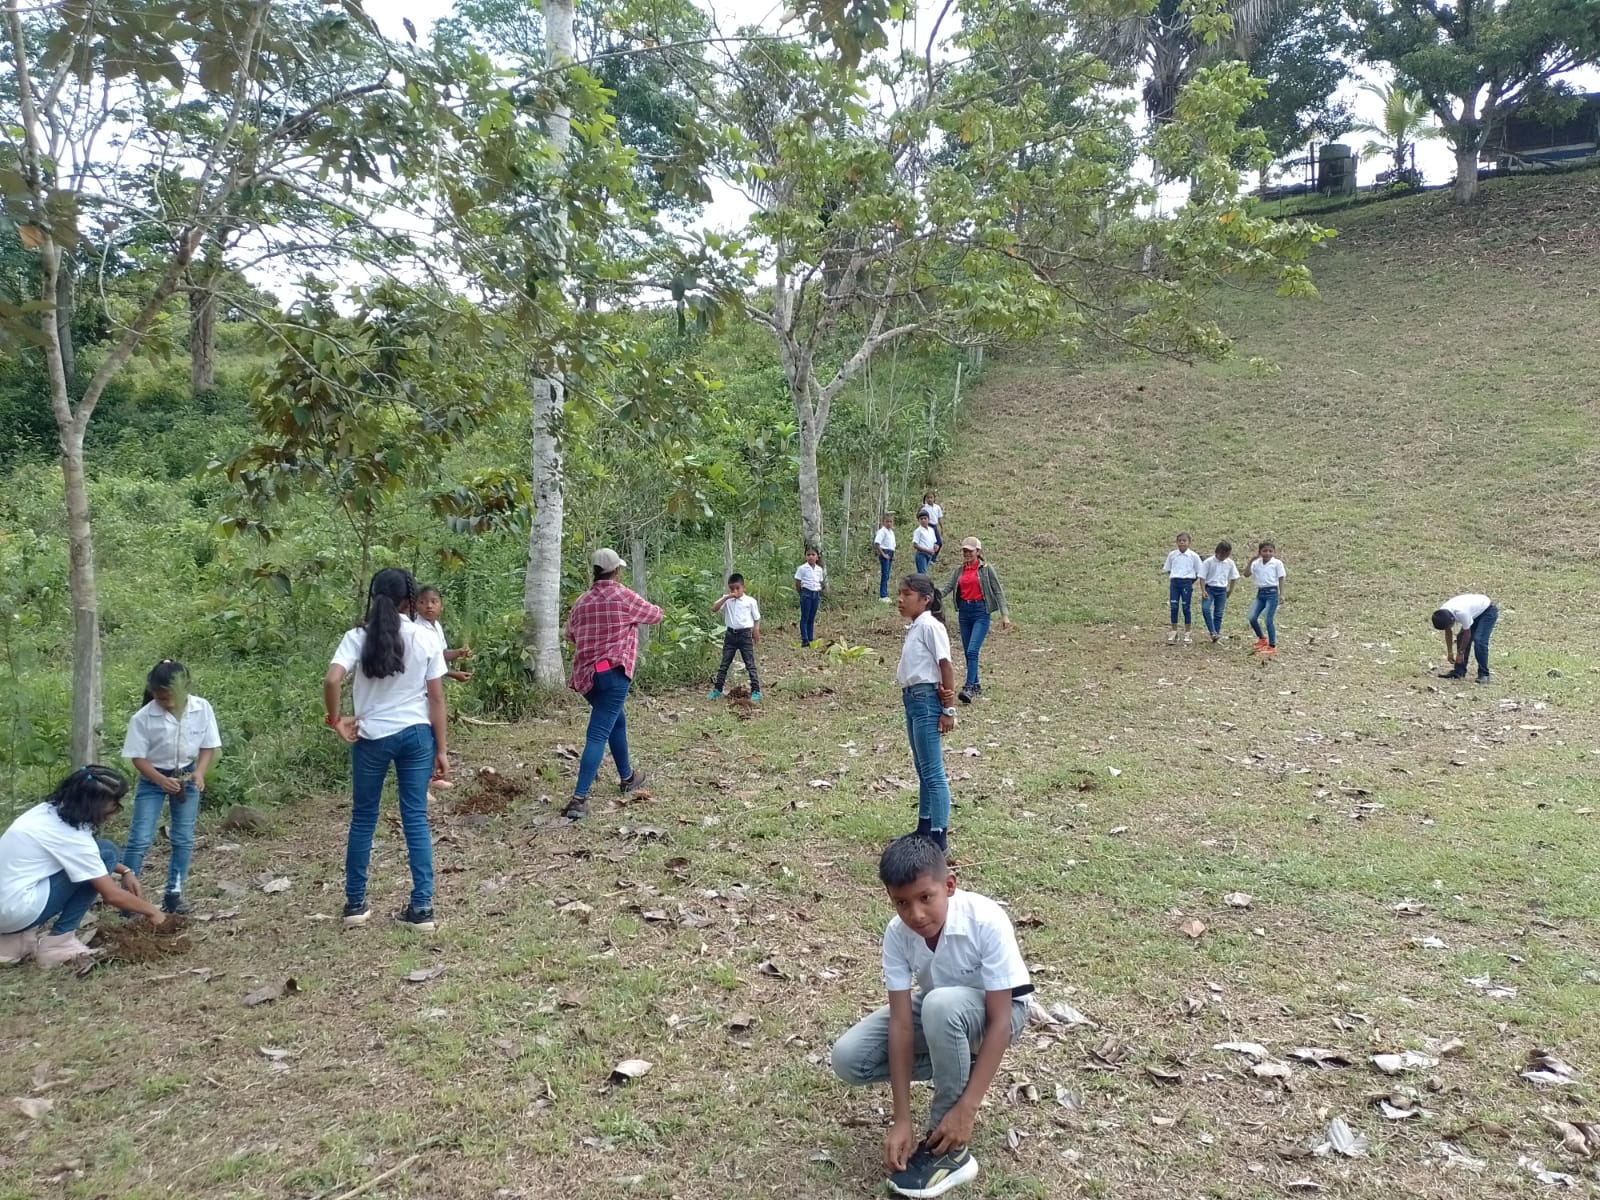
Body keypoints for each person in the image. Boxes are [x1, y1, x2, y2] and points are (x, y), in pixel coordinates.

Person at [831, 834, 1032, 1199]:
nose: (916, 914)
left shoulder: (986, 919)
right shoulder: (897, 935)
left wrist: (966, 1108)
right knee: (849, 1058)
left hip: (1000, 1015)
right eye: (902, 903)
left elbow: (1002, 1020)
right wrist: (901, 1117)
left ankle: (950, 1152)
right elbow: (902, 1023)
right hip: (941, 1013)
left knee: (941, 1006)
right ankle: (958, 1062)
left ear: (949, 885)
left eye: (926, 898)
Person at [324, 567, 449, 931]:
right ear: (409, 602)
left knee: (364, 818)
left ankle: (355, 904)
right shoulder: (424, 637)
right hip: (416, 736)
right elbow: (436, 699)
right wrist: (442, 749)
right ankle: (422, 907)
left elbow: (332, 679)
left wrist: (335, 720)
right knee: (415, 818)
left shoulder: (356, 637)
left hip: (371, 737)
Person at [0, 766, 168, 969]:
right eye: (113, 803)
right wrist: (153, 912)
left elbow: (86, 858)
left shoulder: (46, 812)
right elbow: (111, 895)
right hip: (16, 910)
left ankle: (16, 939)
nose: (116, 809)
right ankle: (58, 944)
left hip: (8, 905)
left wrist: (125, 870)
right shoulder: (72, 837)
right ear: (93, 805)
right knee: (107, 852)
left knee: (102, 855)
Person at [563, 548, 663, 820]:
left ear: (594, 571)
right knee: (597, 734)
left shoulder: (582, 602)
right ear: (617, 571)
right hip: (614, 674)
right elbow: (655, 615)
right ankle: (578, 799)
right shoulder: (623, 595)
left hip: (587, 677)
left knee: (616, 722)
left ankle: (627, 777)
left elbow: (570, 634)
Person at [120, 659, 221, 915]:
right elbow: (137, 757)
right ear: (153, 694)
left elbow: (208, 745)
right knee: (140, 839)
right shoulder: (143, 718)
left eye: (172, 697)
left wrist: (199, 772)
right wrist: (159, 779)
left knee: (183, 837)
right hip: (154, 779)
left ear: (185, 688)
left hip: (186, 777)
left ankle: (174, 894)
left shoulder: (202, 708)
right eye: (162, 699)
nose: (169, 704)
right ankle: (127, 901)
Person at [898, 575, 958, 850]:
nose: (900, 600)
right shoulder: (914, 627)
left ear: (925, 599)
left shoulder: (930, 626)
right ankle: (923, 828)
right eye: (900, 594)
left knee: (933, 771)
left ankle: (939, 837)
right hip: (912, 698)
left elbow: (945, 665)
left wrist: (949, 708)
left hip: (926, 699)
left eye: (907, 594)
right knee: (922, 769)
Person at [941, 538, 1011, 704]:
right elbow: (946, 588)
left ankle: (969, 686)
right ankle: (977, 684)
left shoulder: (986, 570)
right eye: (965, 551)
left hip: (981, 612)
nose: (967, 554)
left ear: (978, 552)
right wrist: (928, 596)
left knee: (972, 651)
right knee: (967, 651)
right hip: (964, 612)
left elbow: (998, 591)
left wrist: (1004, 615)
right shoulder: (959, 571)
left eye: (970, 551)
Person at [708, 573, 762, 701]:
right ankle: (717, 689)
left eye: (738, 588)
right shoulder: (727, 600)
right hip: (731, 635)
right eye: (732, 589)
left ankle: (756, 690)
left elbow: (757, 618)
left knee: (750, 663)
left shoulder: (750, 601)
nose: (735, 591)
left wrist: (756, 630)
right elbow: (714, 609)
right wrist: (726, 598)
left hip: (745, 635)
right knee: (724, 663)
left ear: (743, 587)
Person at [1432, 593, 1498, 683]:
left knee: (1479, 640)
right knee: (1460, 638)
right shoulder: (1442, 613)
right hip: (1474, 611)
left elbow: (1467, 634)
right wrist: (1450, 652)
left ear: (1452, 619)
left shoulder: (1461, 613)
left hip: (1487, 611)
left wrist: (1460, 653)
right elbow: (1448, 632)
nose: (1449, 627)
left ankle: (1484, 674)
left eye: (1449, 625)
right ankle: (1459, 671)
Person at [416, 586, 473, 682]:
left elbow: (441, 654)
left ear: (441, 606)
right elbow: (426, 663)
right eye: (422, 602)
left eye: (434, 602)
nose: (429, 606)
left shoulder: (436, 625)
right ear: (415, 606)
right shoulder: (416, 629)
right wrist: (454, 674)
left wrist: (459, 652)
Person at [1246, 541, 1287, 655]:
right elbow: (1246, 574)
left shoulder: (1277, 563)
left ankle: (1272, 645)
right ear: (1260, 552)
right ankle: (1262, 639)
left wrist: (1281, 593)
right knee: (1252, 617)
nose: (1267, 553)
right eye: (1264, 551)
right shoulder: (1256, 563)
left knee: (1268, 619)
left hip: (1272, 593)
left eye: (1270, 551)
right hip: (1261, 593)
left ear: (1274, 552)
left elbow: (1281, 578)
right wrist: (1251, 561)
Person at [1163, 532, 1203, 645]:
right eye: (1179, 540)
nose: (1181, 543)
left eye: (1184, 540)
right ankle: (1174, 630)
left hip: (1186, 583)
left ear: (1189, 542)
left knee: (1186, 607)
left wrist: (1189, 582)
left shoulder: (1194, 556)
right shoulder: (1172, 555)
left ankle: (1187, 631)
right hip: (1175, 583)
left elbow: (1199, 572)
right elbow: (1169, 569)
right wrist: (1175, 578)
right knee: (1174, 606)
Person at [1198, 541, 1240, 644]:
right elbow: (1202, 577)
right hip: (1210, 588)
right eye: (1222, 554)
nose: (1223, 557)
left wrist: (1230, 590)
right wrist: (1203, 590)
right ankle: (1212, 631)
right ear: (1217, 552)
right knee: (1205, 608)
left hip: (1222, 590)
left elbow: (1234, 577)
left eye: (1226, 555)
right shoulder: (1208, 562)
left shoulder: (1229, 563)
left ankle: (1216, 633)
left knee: (1218, 613)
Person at [794, 547, 827, 649]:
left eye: (813, 555)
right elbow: (798, 582)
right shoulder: (802, 568)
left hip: (815, 593)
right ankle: (805, 639)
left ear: (817, 557)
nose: (811, 557)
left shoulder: (819, 569)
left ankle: (810, 638)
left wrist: (818, 591)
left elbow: (820, 582)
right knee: (805, 617)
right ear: (805, 557)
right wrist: (802, 593)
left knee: (812, 617)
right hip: (806, 593)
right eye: (808, 555)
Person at [874, 513, 897, 602]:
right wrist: (883, 554)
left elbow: (893, 545)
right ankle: (883, 595)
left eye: (891, 522)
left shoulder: (891, 532)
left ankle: (885, 593)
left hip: (890, 553)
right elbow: (877, 543)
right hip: (885, 552)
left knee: (887, 575)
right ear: (883, 522)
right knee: (884, 574)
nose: (889, 523)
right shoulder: (882, 531)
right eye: (887, 521)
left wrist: (893, 555)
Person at [913, 509, 940, 576]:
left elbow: (933, 542)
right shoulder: (918, 531)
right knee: (923, 574)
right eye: (921, 519)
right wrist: (926, 550)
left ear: (928, 519)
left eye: (925, 518)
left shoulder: (931, 530)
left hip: (929, 554)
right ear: (919, 520)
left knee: (924, 573)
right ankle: (921, 586)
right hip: (922, 554)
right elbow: (915, 545)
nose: (923, 520)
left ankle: (920, 585)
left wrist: (935, 546)